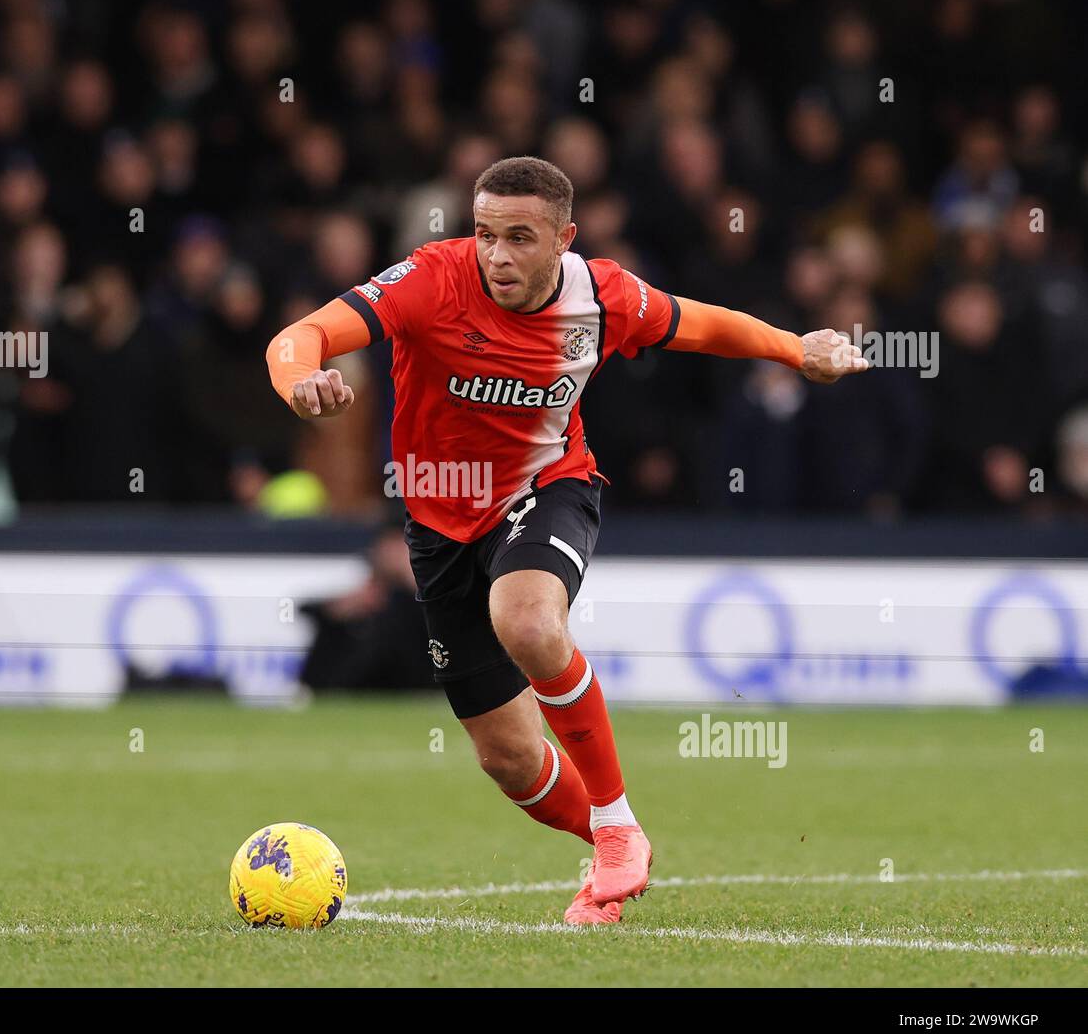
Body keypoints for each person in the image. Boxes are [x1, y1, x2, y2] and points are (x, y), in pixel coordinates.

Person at [265, 157, 867, 925]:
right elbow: (301, 336)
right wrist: (302, 382)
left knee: (525, 621)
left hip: (547, 491)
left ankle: (613, 828)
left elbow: (701, 324)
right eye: (485, 234)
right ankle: (618, 842)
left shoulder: (603, 297)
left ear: (563, 240)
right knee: (510, 761)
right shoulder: (429, 280)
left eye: (520, 237)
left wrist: (794, 349)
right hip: (439, 527)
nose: (497, 255)